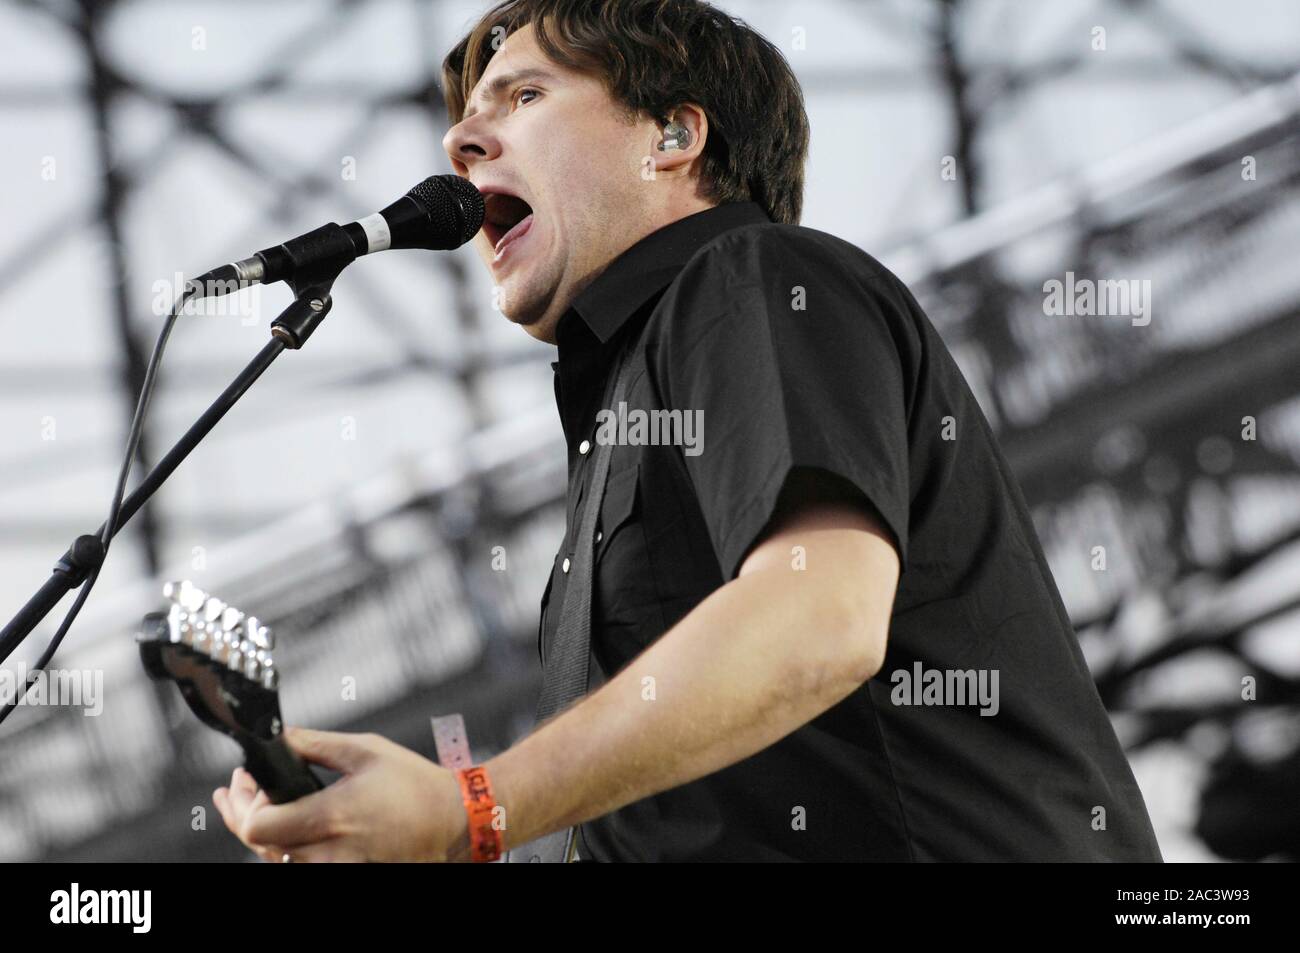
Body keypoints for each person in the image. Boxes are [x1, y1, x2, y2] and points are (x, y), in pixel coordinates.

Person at [214, 0, 1162, 862]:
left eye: (523, 96)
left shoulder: (755, 275)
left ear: (673, 134)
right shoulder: (621, 426)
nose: (463, 139)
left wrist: (470, 805)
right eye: (471, 114)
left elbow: (819, 619)